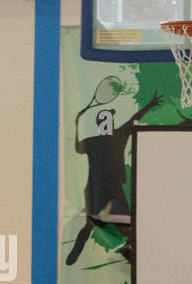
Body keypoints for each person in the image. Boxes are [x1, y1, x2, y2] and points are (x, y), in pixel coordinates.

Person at [67, 92, 162, 265]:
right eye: (108, 119)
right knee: (125, 225)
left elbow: (77, 148)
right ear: (106, 123)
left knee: (93, 224)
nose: (108, 122)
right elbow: (134, 119)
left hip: (97, 188)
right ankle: (123, 247)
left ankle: (120, 248)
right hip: (109, 188)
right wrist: (150, 104)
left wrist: (76, 123)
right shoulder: (117, 135)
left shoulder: (93, 140)